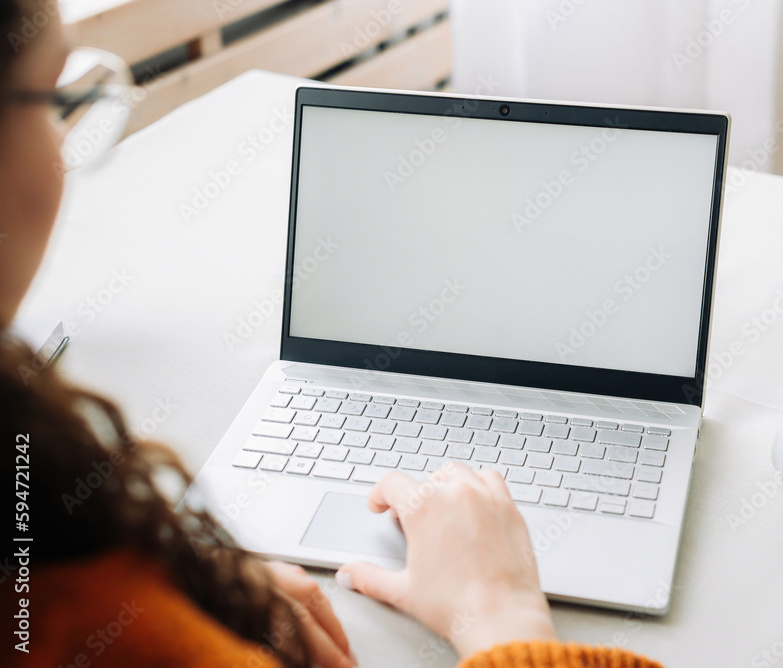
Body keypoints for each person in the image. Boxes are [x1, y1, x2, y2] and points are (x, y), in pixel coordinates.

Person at [0, 1, 663, 666]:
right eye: (55, 99)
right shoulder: (78, 617)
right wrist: (503, 618)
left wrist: (185, 579)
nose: (61, 154)